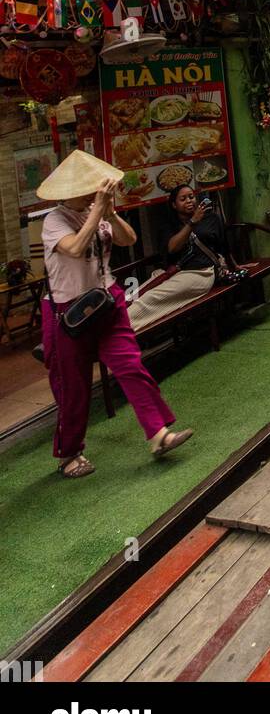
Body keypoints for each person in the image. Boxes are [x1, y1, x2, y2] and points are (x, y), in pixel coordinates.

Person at [38, 150, 192, 479]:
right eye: (91, 187)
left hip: (107, 301)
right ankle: (69, 453)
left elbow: (129, 238)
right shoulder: (54, 221)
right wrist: (96, 214)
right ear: (74, 191)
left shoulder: (99, 211)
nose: (97, 190)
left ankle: (159, 434)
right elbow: (76, 248)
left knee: (130, 365)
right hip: (68, 312)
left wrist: (110, 212)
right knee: (73, 385)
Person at [128, 185, 225, 330]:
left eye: (191, 197)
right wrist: (192, 222)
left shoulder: (211, 218)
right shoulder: (168, 225)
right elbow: (172, 248)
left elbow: (224, 246)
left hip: (201, 273)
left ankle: (125, 327)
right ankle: (117, 323)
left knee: (151, 297)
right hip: (174, 272)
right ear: (174, 204)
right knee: (133, 296)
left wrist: (233, 266)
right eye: (183, 199)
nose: (189, 201)